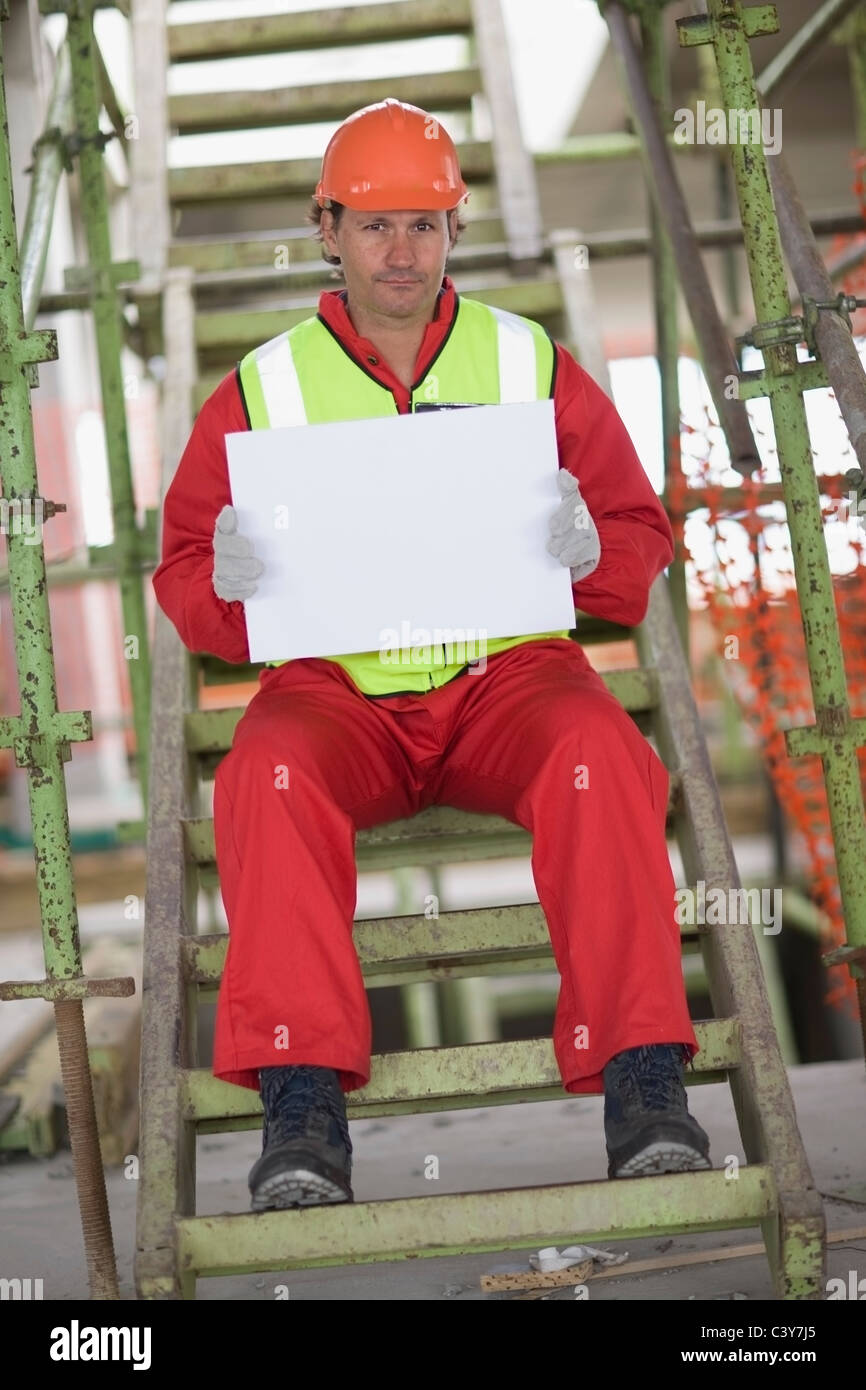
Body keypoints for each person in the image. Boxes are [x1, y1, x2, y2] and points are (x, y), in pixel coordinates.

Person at [153, 98, 711, 1212]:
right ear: (326, 230)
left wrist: (592, 551)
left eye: (423, 223)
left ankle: (643, 1079)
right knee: (262, 775)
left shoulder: (527, 360)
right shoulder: (261, 388)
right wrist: (227, 584)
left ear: (455, 229)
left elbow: (636, 528)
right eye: (372, 224)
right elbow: (179, 572)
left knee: (600, 752)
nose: (399, 250)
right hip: (337, 691)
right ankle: (302, 1102)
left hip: (508, 677)